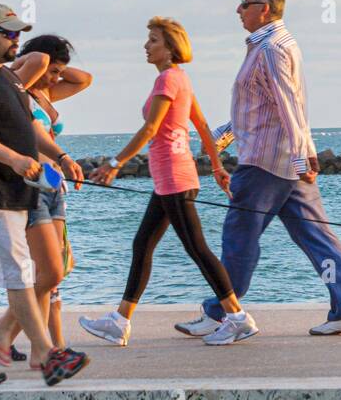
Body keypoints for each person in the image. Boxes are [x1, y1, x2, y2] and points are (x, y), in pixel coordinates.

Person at [177, 0, 341, 340]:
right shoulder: (272, 45)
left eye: (244, 4)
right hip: (281, 159)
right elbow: (261, 107)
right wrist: (221, 138)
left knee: (238, 236)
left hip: (266, 163)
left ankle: (221, 313)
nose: (238, 10)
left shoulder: (271, 49)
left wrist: (299, 158)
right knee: (315, 236)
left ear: (264, 8)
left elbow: (288, 105)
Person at [78, 17, 256, 347]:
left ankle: (237, 318)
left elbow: (150, 129)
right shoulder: (179, 79)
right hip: (169, 180)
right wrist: (216, 166)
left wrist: (115, 164)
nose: (146, 46)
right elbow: (202, 125)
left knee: (197, 249)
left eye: (153, 40)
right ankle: (120, 320)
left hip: (174, 177)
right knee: (143, 245)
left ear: (170, 47)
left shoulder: (167, 82)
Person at [0, 3, 90, 388]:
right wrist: (16, 160)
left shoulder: (8, 80)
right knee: (20, 274)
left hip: (9, 196)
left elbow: (28, 126)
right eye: (8, 34)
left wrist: (61, 155)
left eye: (18, 34)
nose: (16, 40)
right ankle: (47, 354)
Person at [0, 34, 93, 354]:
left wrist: (56, 68)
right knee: (43, 270)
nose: (55, 76)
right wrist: (30, 62)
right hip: (28, 185)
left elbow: (84, 79)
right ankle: (38, 340)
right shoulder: (13, 89)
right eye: (53, 69)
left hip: (54, 186)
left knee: (57, 268)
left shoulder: (44, 93)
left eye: (59, 72)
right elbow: (37, 63)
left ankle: (41, 341)